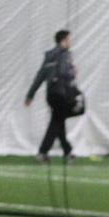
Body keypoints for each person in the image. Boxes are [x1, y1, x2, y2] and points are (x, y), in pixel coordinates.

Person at [25, 30, 77, 163]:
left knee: (58, 121)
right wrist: (73, 70)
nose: (70, 42)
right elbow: (65, 73)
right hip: (62, 93)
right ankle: (43, 152)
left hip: (51, 94)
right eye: (69, 39)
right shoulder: (65, 55)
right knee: (56, 123)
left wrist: (30, 94)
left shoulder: (49, 56)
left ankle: (67, 151)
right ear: (63, 40)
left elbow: (40, 76)